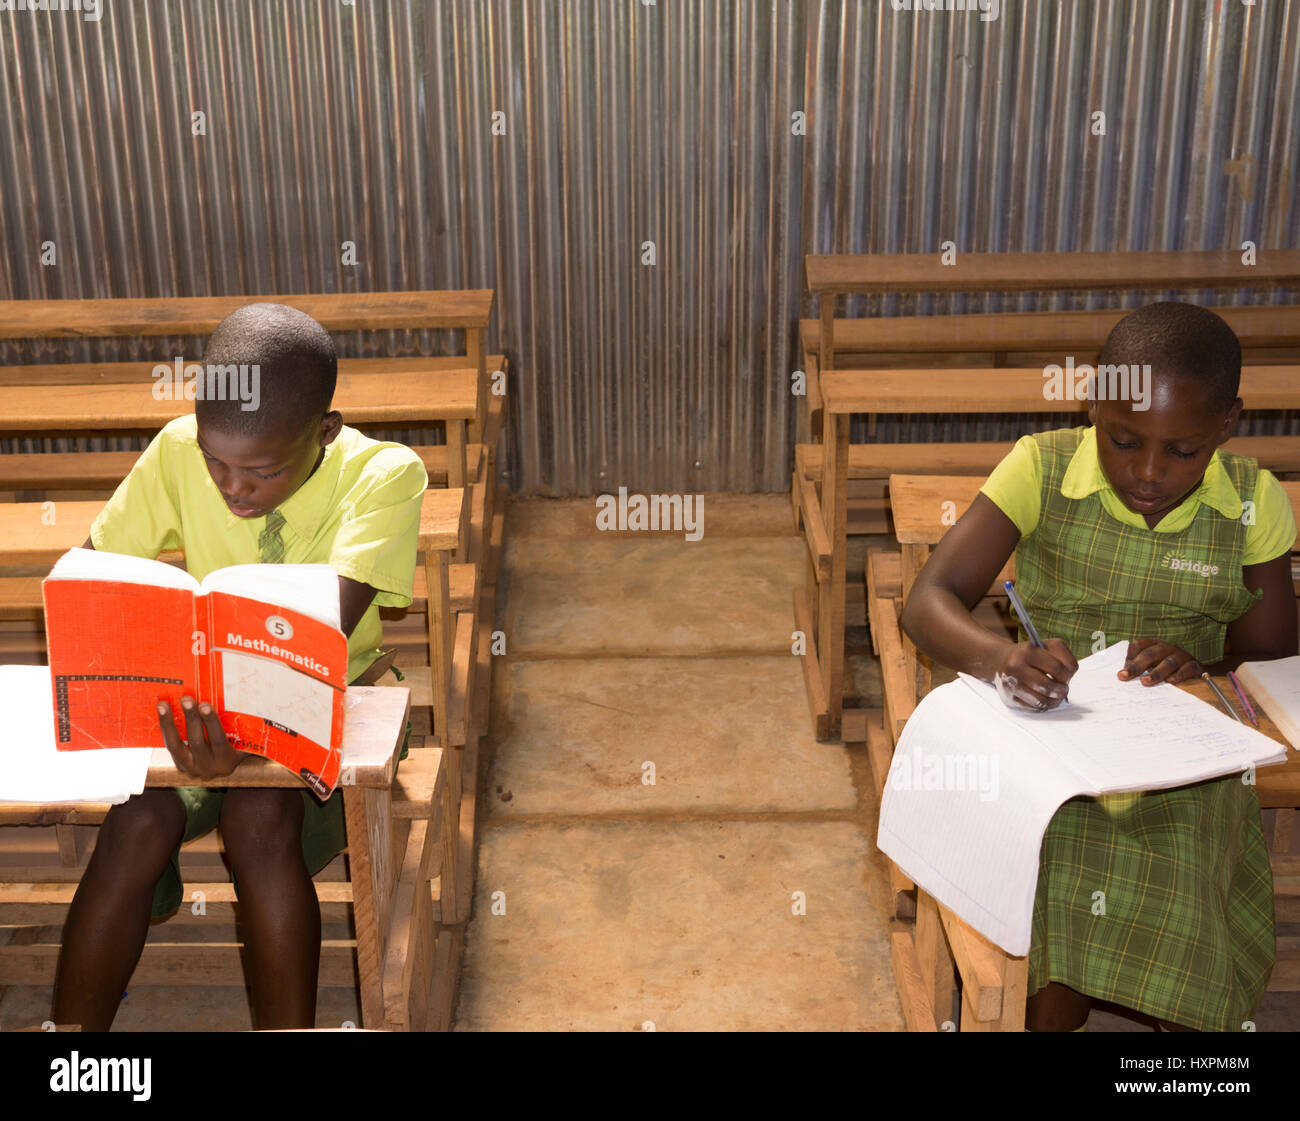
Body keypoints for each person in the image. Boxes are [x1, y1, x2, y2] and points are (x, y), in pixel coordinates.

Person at [900, 301, 1298, 1032]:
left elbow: (1272, 660)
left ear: (1227, 426)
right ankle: (1055, 1008)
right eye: (1121, 439)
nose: (1147, 471)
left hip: (1186, 752)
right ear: (1092, 403)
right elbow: (928, 600)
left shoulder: (1251, 502)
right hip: (1056, 730)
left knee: (1180, 854)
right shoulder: (1041, 465)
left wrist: (1199, 664)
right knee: (1063, 833)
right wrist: (1001, 659)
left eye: (1182, 451)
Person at [52, 303, 427, 1030]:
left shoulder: (384, 474)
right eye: (216, 462)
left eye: (261, 471)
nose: (233, 488)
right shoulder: (174, 451)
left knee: (258, 814)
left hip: (335, 694)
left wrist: (245, 731)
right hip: (201, 703)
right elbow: (93, 584)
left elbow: (322, 629)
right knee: (137, 821)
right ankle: (72, 1054)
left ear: (325, 430)